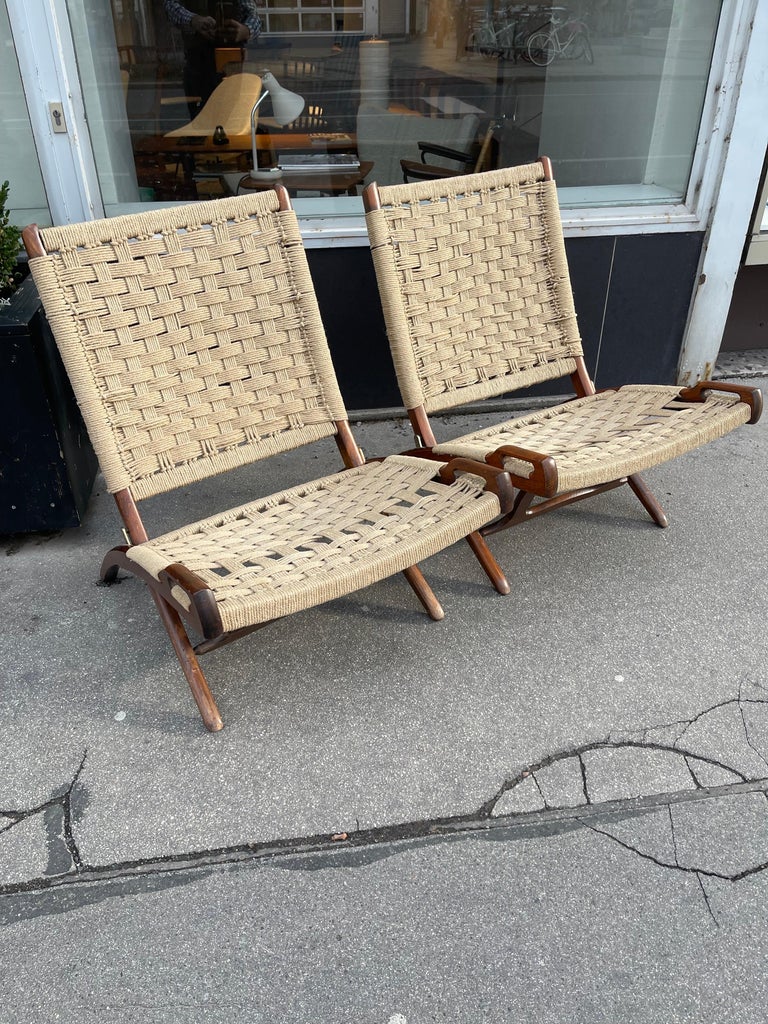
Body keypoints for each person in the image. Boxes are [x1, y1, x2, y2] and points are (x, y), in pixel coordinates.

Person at [163, 0, 262, 114]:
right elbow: (170, 6)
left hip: (232, 64)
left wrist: (246, 30)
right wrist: (193, 20)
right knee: (201, 120)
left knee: (234, 115)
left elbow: (253, 16)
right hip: (198, 63)